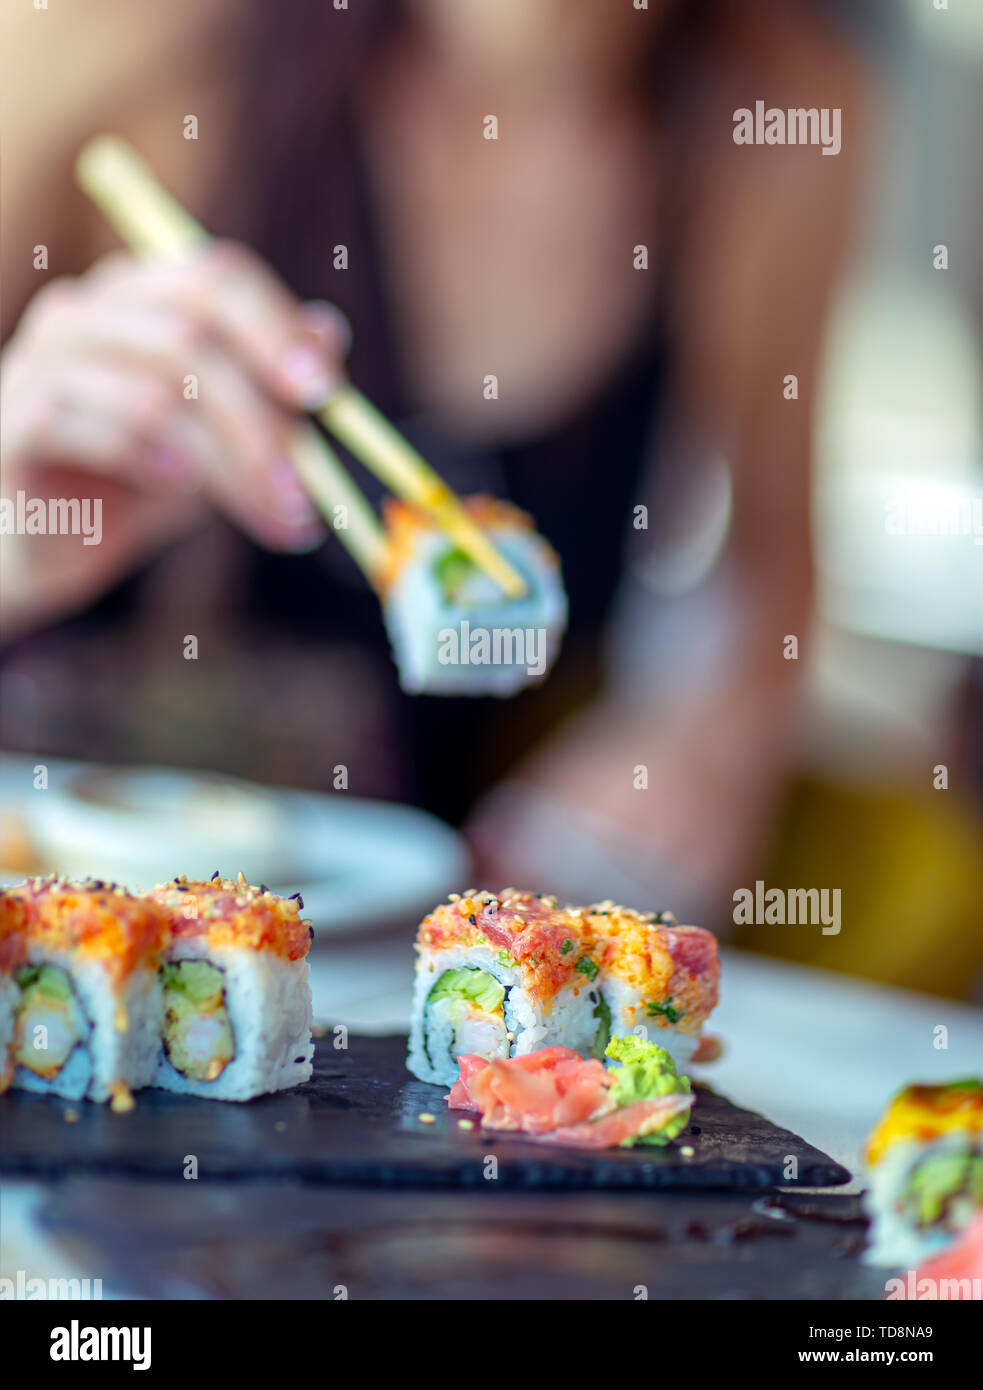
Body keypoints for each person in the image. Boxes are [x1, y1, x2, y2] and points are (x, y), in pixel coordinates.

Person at [0, 0, 869, 923]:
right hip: (48, 906)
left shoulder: (771, 116)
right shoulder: (113, 36)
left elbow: (769, 563)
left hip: (402, 950)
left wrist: (699, 745)